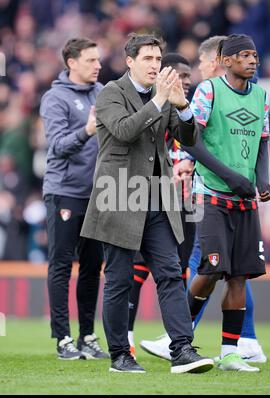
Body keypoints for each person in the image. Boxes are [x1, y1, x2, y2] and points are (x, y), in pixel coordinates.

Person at [81, 33, 214, 374]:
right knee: (119, 279)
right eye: (148, 59)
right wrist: (158, 101)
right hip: (119, 195)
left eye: (158, 59)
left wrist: (182, 106)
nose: (156, 65)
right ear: (129, 61)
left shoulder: (166, 96)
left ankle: (182, 349)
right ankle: (119, 356)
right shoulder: (111, 92)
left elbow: (188, 139)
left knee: (170, 274)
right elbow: (125, 131)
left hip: (157, 198)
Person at [140, 36, 267, 364]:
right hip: (211, 195)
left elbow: (263, 141)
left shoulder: (261, 96)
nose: (253, 60)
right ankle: (178, 337)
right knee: (211, 268)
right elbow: (190, 139)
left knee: (239, 274)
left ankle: (231, 352)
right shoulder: (209, 91)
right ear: (226, 60)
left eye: (255, 55)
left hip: (245, 199)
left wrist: (260, 179)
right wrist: (231, 176)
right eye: (246, 56)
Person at [40, 38, 109, 360]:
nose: (97, 65)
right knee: (61, 265)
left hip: (98, 195)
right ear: (72, 62)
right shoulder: (55, 98)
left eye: (98, 60)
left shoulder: (103, 93)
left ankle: (87, 336)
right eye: (91, 60)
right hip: (64, 192)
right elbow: (56, 146)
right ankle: (62, 338)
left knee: (93, 268)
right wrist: (88, 130)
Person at [127, 52, 196, 357]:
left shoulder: (184, 106)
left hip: (184, 198)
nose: (185, 83)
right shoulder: (144, 102)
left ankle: (178, 342)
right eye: (180, 76)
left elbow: (192, 141)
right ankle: (124, 337)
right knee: (137, 267)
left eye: (189, 78)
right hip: (147, 194)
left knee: (176, 268)